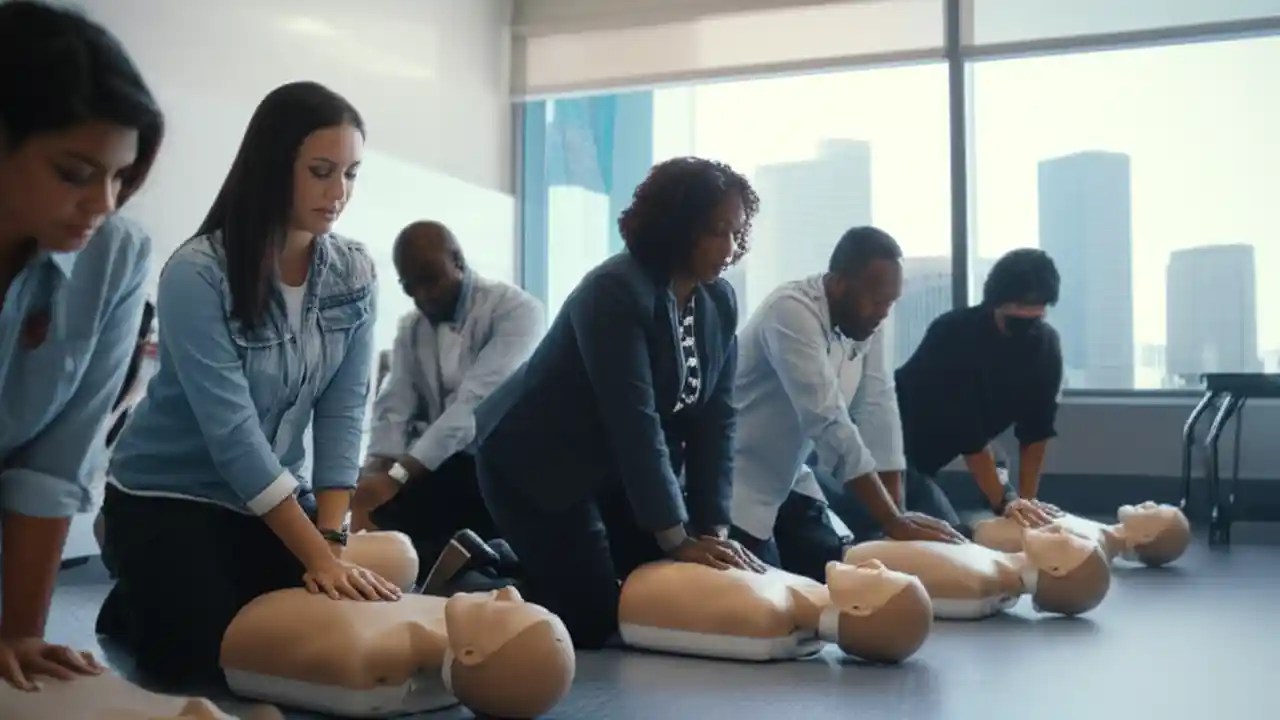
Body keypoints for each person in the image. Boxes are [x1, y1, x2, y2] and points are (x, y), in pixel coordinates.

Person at [96, 81, 401, 690]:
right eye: (320, 171)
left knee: (320, 620)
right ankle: (137, 588)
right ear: (272, 164)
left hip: (268, 502)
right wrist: (315, 556)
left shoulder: (355, 273)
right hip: (170, 495)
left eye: (351, 173)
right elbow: (231, 434)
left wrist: (333, 541)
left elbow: (344, 411)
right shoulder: (197, 275)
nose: (338, 193)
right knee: (211, 659)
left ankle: (174, 585)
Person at [472, 157, 769, 650]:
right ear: (678, 227)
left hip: (612, 468)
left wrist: (710, 528)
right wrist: (676, 537)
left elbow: (717, 420)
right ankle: (480, 571)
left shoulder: (718, 301)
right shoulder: (614, 290)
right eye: (717, 231)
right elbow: (635, 420)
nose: (730, 247)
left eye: (737, 233)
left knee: (650, 594)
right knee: (589, 622)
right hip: (534, 463)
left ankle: (532, 565)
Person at [0, 1, 163, 692]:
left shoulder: (117, 256)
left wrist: (19, 636)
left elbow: (56, 458)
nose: (104, 202)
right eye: (74, 172)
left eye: (121, 175)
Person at [728, 227, 965, 583]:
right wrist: (891, 520)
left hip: (789, 482)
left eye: (891, 302)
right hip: (735, 485)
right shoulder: (790, 311)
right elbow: (827, 419)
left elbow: (878, 406)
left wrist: (897, 516)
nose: (883, 312)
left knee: (838, 573)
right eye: (876, 300)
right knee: (767, 597)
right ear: (839, 284)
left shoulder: (869, 320)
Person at [352, 220, 544, 579]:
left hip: (505, 469)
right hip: (446, 469)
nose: (423, 296)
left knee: (413, 515)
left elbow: (475, 406)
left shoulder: (517, 311)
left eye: (432, 280)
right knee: (378, 516)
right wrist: (375, 470)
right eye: (411, 287)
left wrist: (396, 475)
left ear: (458, 261)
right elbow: (394, 405)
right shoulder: (412, 327)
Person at [892, 247, 1065, 532]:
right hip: (889, 452)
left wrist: (1027, 503)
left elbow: (1036, 432)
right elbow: (969, 438)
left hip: (938, 456)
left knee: (1015, 505)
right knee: (947, 534)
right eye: (1015, 320)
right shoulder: (953, 333)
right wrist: (1005, 505)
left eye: (1032, 320)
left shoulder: (1045, 347)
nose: (1023, 330)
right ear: (994, 305)